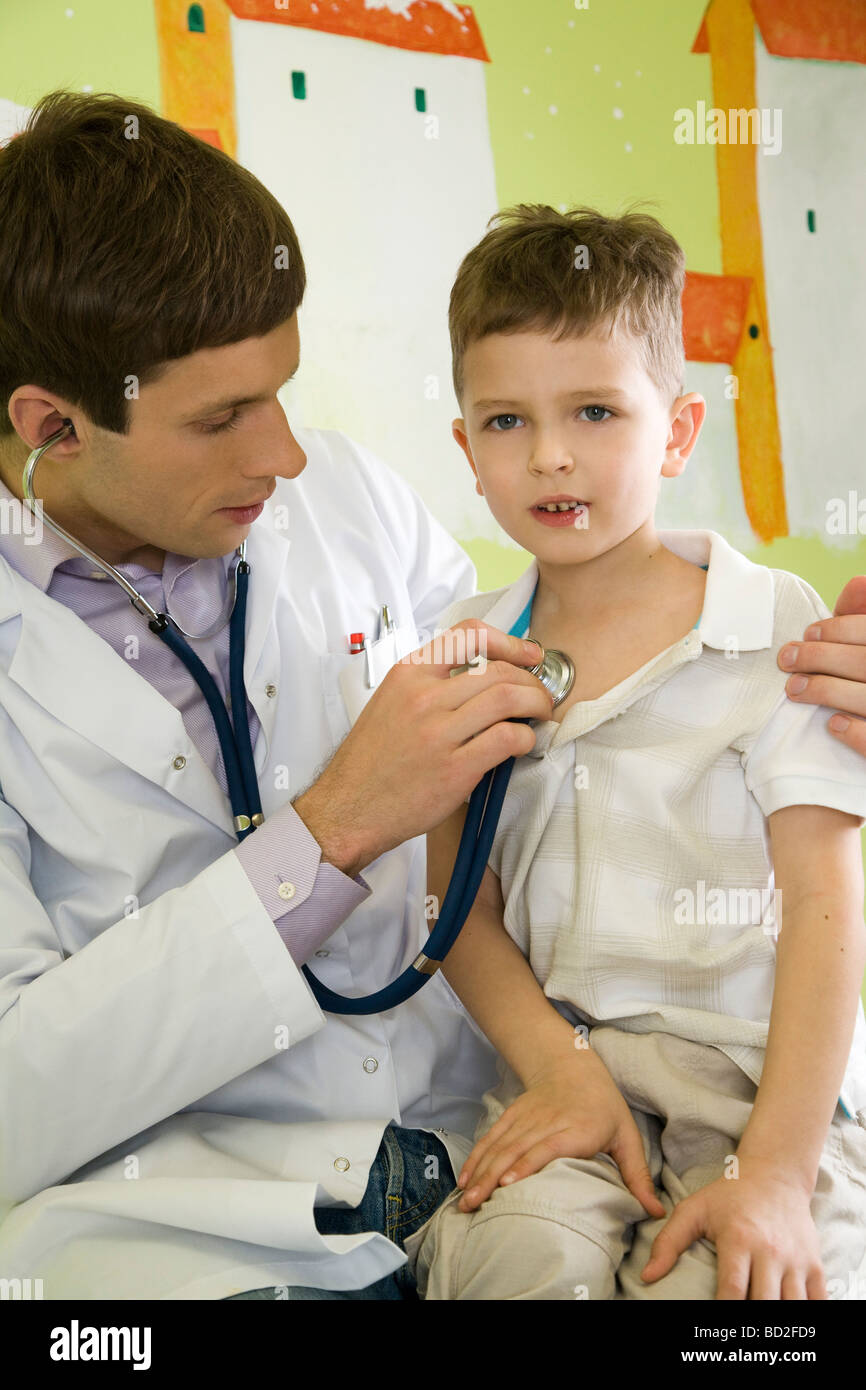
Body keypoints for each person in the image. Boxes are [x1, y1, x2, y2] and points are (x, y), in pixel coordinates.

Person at [0, 95, 863, 1303]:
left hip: (502, 1131)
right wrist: (331, 832)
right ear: (51, 427)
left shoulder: (352, 502)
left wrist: (837, 691)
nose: (289, 455)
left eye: (283, 390)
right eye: (222, 419)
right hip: (199, 1229)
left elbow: (581, 746)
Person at [404, 204, 866, 1301]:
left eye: (596, 410)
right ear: (466, 450)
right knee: (511, 1260)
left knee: (757, 1296)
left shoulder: (773, 628)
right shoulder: (466, 659)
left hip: (762, 1095)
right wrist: (559, 1072)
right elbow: (451, 906)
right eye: (506, 421)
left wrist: (771, 1171)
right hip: (566, 1073)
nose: (550, 453)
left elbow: (823, 903)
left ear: (676, 430)